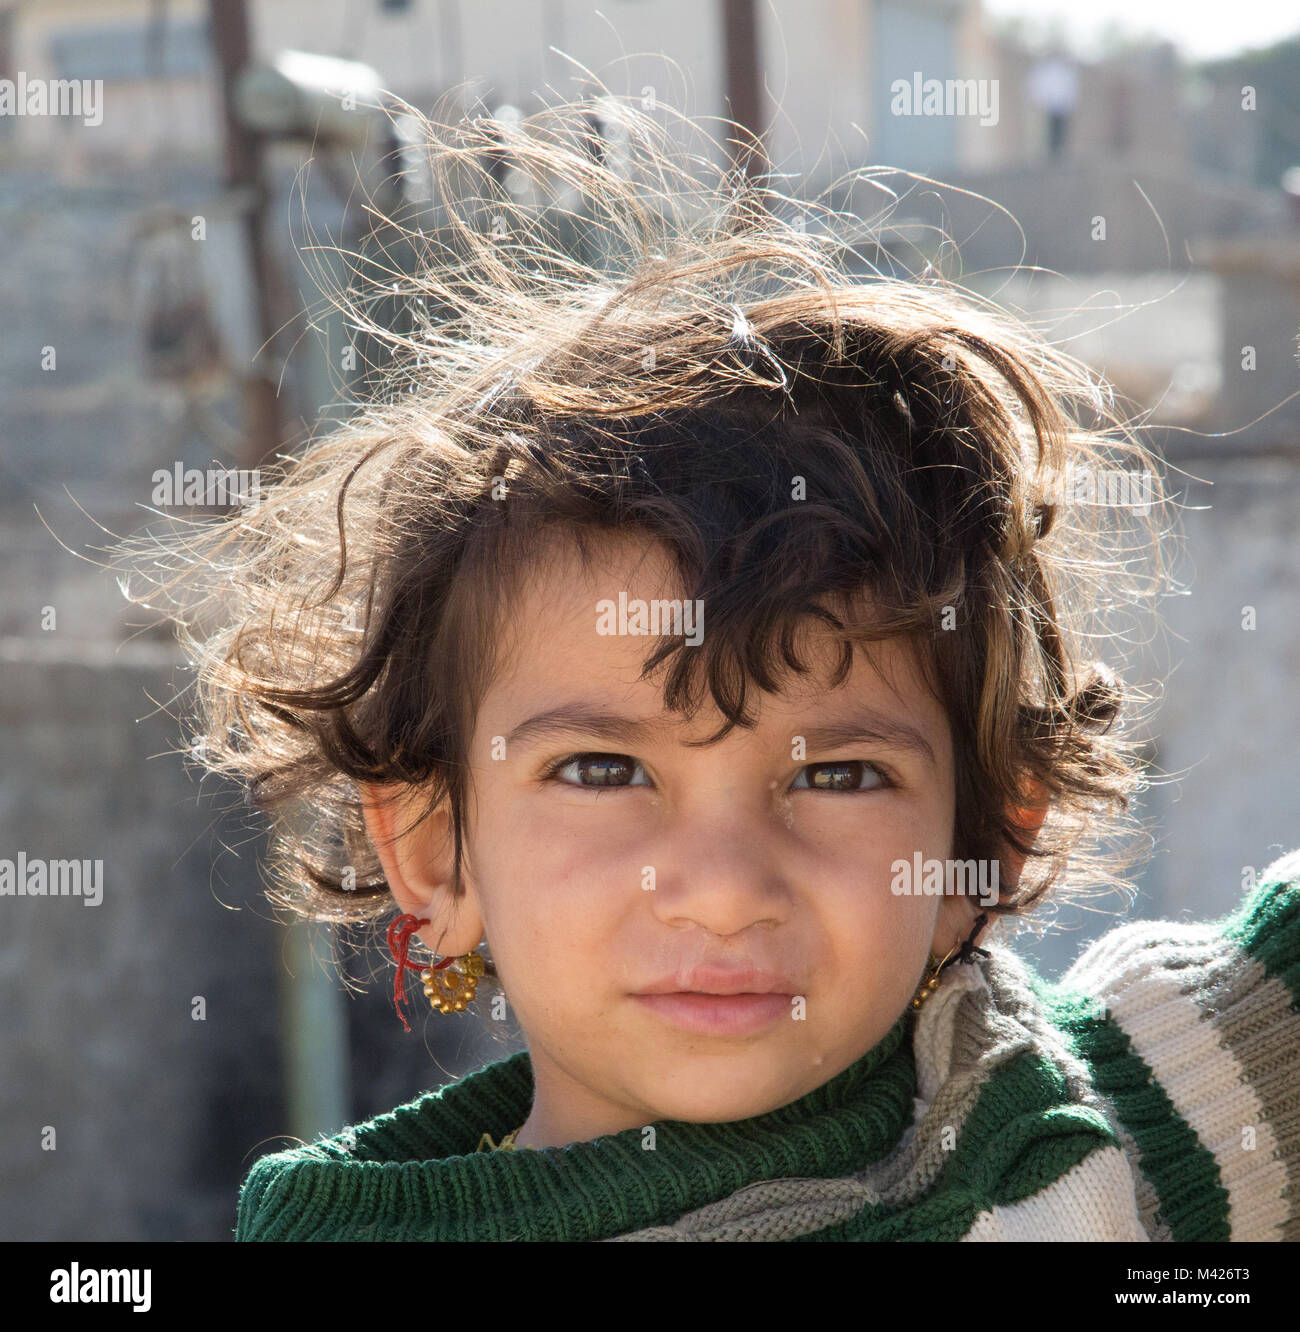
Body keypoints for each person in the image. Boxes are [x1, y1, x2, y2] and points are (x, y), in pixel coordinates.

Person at [123, 90, 1299, 1241]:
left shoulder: (1108, 1134)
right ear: (435, 847)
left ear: (981, 846)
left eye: (836, 777)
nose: (725, 887)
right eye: (599, 769)